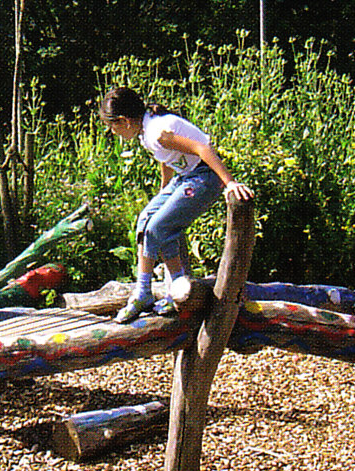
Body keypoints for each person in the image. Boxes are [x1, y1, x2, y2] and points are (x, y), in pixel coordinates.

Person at [99, 87, 254, 323]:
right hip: (185, 177)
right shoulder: (145, 131)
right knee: (145, 220)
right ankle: (176, 290)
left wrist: (230, 183)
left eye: (113, 126)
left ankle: (144, 292)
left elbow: (202, 149)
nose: (113, 131)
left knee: (157, 228)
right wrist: (163, 193)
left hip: (204, 177)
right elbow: (167, 160)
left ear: (125, 121)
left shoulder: (158, 131)